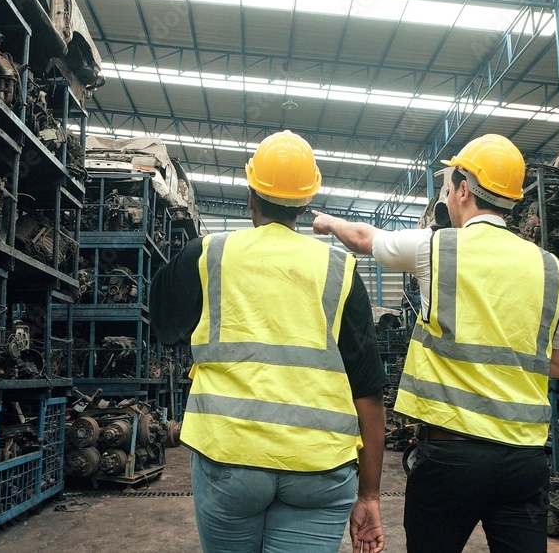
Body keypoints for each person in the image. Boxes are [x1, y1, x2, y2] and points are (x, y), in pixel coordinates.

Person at [312, 134, 559, 553]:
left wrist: (329, 223)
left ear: (463, 190)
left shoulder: (435, 248)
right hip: (524, 463)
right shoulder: (555, 270)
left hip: (451, 456)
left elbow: (365, 239)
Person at [151, 130, 387, 553]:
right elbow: (368, 393)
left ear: (250, 196)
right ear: (306, 203)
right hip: (319, 465)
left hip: (230, 458)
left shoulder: (207, 254)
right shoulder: (340, 269)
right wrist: (369, 495)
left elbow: (166, 328)